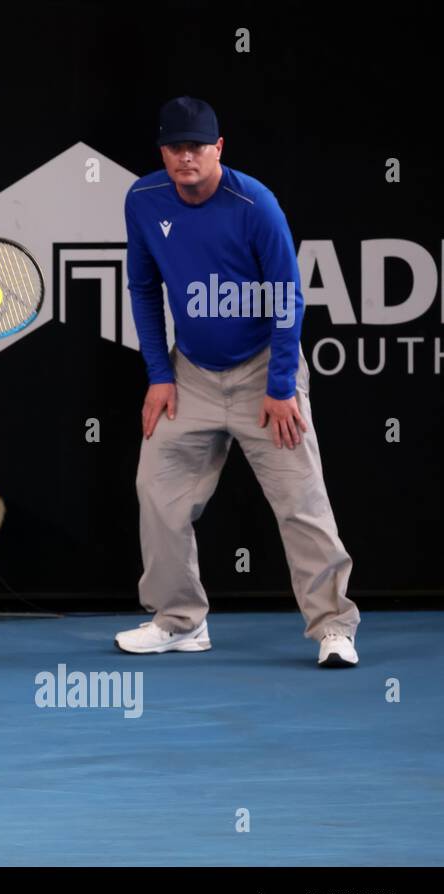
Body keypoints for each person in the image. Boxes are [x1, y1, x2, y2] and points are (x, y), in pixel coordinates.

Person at [117, 95, 360, 667]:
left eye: (197, 146)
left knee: (301, 501)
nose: (186, 157)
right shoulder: (143, 200)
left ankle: (332, 627)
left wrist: (280, 386)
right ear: (163, 151)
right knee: (158, 492)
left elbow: (287, 297)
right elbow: (143, 287)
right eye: (175, 147)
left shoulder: (256, 204)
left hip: (263, 374)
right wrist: (159, 374)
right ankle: (180, 622)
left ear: (218, 148)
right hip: (191, 375)